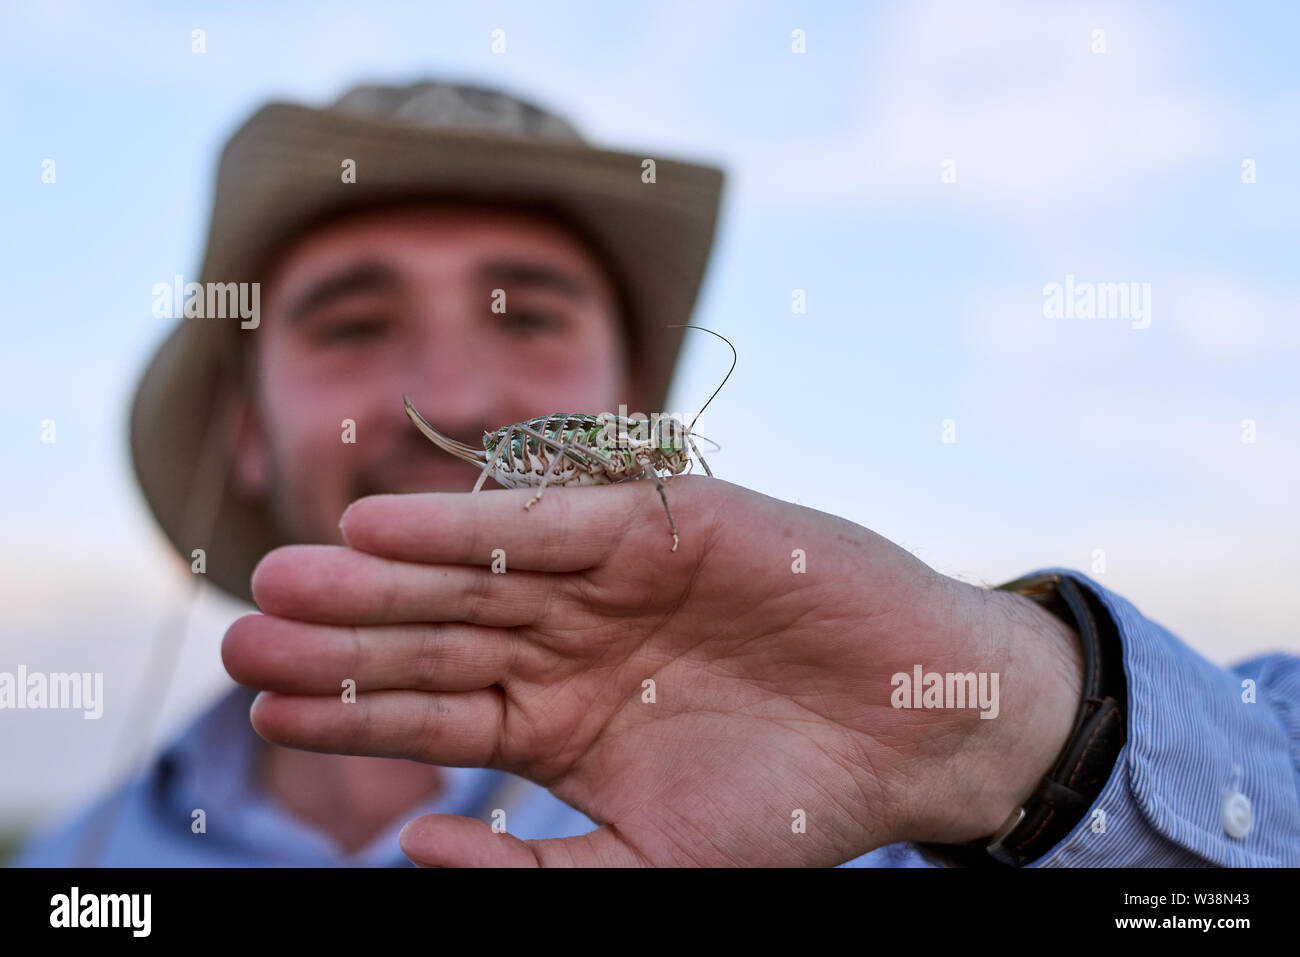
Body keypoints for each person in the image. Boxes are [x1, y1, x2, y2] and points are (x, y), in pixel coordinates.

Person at [13, 81, 1298, 868]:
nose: (456, 396)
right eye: (352, 324)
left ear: (631, 408)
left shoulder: (868, 816)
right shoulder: (82, 872)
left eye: (527, 318)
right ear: (240, 430)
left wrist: (1013, 738)